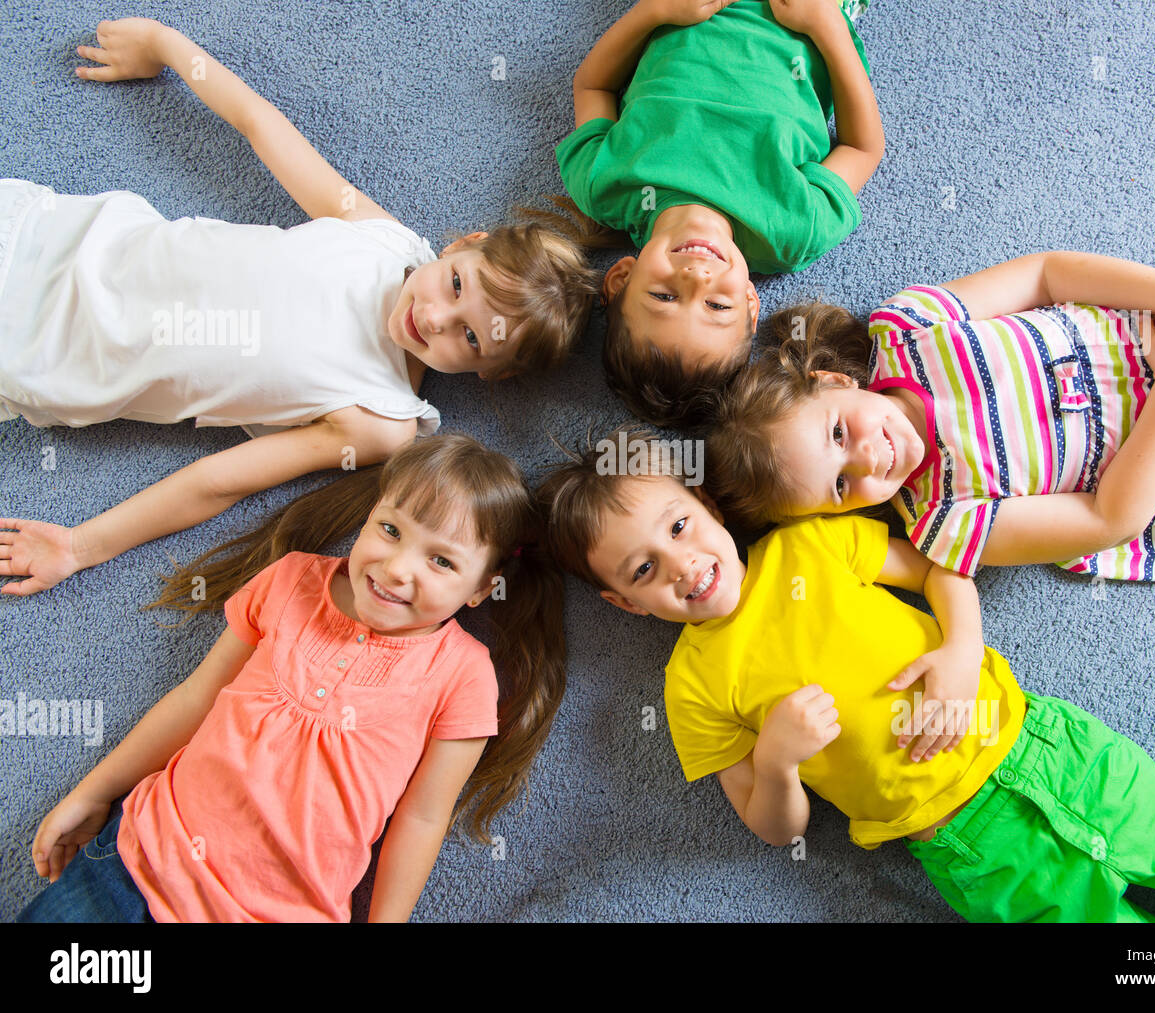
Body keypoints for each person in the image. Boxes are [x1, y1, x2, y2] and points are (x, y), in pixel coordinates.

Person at [537, 435, 1155, 921]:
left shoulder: (809, 546)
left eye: (678, 526)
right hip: (971, 844)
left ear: (704, 504)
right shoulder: (692, 688)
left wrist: (963, 651)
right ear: (623, 602)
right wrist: (775, 758)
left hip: (1047, 746)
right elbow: (776, 829)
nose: (682, 564)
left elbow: (942, 566)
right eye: (645, 569)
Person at [0, 17, 601, 595]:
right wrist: (167, 46)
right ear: (463, 244)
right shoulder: (384, 240)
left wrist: (81, 547)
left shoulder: (382, 419)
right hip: (56, 238)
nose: (436, 319)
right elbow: (264, 127)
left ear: (494, 372)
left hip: (48, 353)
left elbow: (218, 481)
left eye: (470, 339)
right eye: (456, 285)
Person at [18, 433, 566, 922]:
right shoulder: (290, 579)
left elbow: (422, 819)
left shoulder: (464, 674)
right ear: (369, 515)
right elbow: (195, 698)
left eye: (442, 562)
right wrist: (95, 791)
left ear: (480, 590)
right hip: (136, 864)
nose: (399, 568)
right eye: (390, 529)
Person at [706, 250, 1155, 580]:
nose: (866, 459)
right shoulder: (945, 522)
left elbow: (1047, 274)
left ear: (833, 380)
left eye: (838, 432)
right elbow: (1107, 518)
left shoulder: (911, 330)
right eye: (840, 487)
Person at [557, 0, 884, 428]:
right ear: (750, 303)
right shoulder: (792, 229)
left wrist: (654, 12)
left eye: (663, 297)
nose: (695, 278)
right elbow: (862, 149)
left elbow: (592, 87)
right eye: (716, 305)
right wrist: (829, 28)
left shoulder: (605, 185)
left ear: (620, 280)